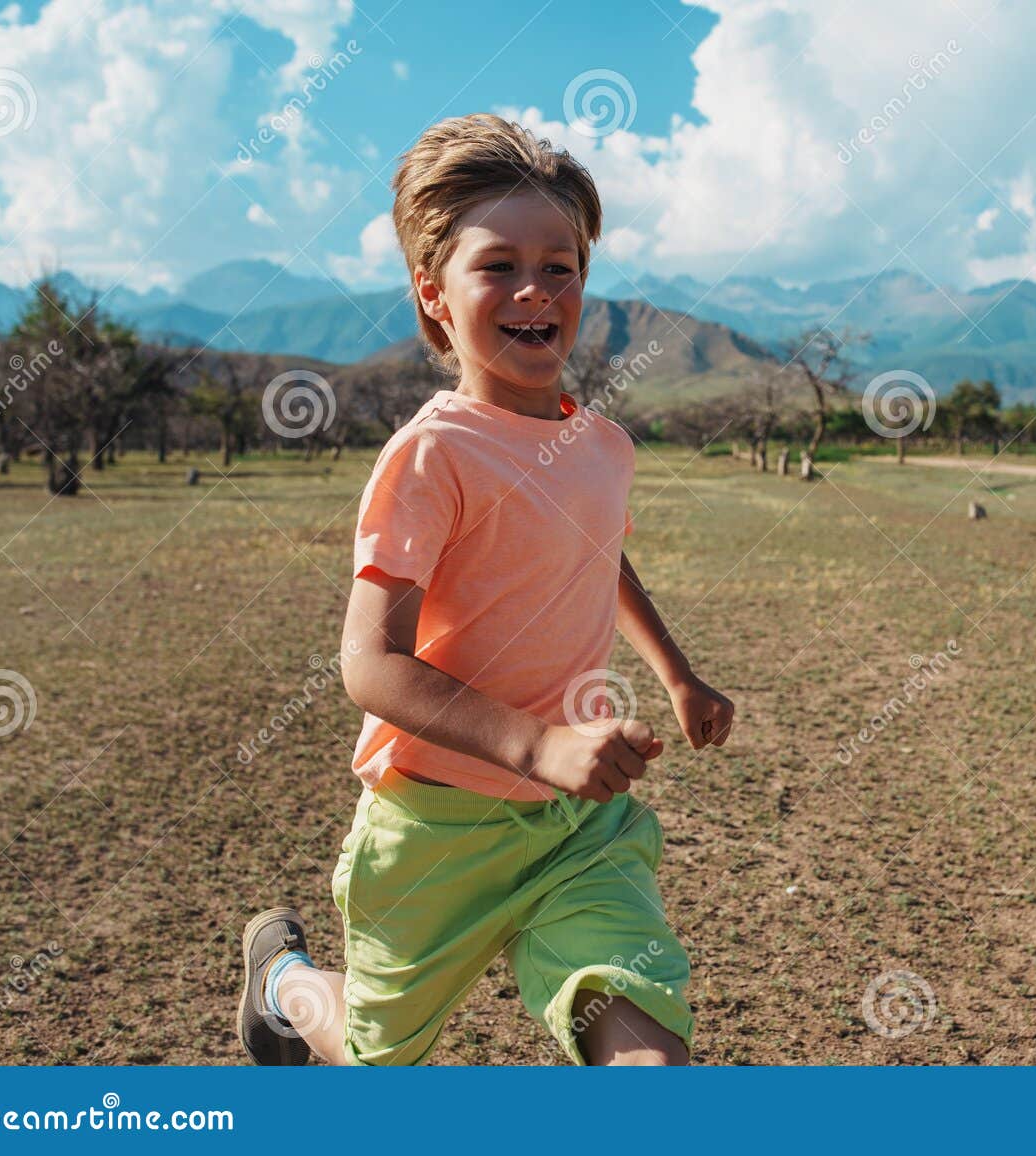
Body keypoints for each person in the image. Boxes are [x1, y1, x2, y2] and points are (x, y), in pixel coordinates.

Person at [235, 113, 734, 1067]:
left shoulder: (601, 445)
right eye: (498, 265)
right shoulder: (432, 455)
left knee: (648, 1057)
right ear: (434, 294)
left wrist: (677, 673)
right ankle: (285, 985)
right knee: (373, 1057)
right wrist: (535, 744)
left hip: (579, 828)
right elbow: (369, 663)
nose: (535, 288)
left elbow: (599, 555)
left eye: (560, 266)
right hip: (437, 829)